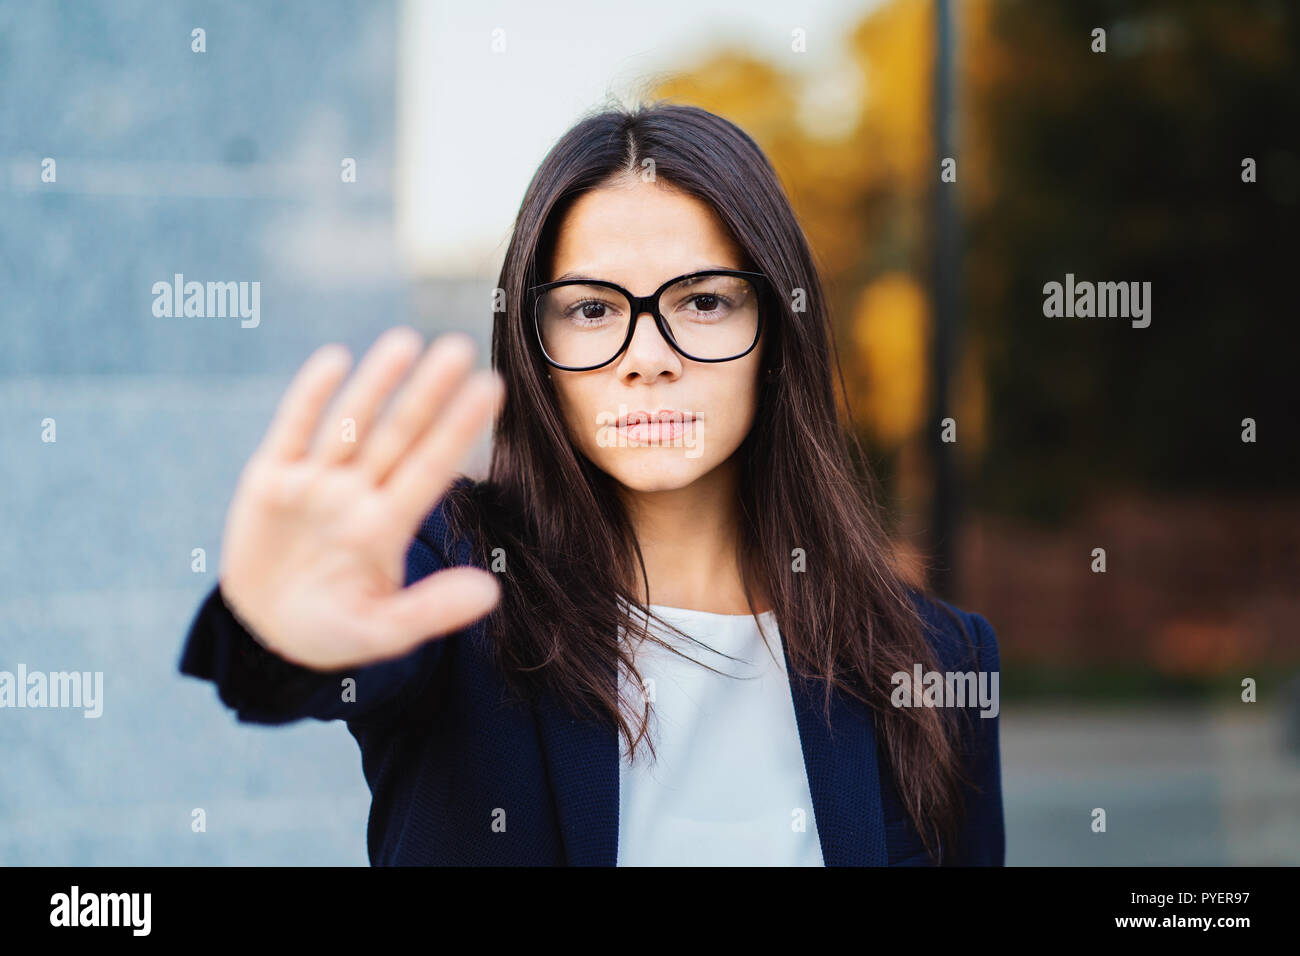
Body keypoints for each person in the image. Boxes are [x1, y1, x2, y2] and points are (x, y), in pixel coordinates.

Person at [179, 101, 1004, 866]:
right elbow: (324, 651)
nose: (650, 356)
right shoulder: (459, 574)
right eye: (592, 310)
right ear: (535, 346)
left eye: (706, 301)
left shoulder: (934, 656)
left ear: (776, 333)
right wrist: (278, 629)